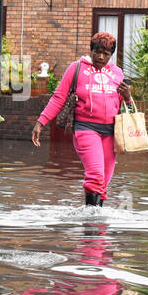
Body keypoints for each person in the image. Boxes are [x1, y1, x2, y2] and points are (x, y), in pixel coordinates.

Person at [31, 32, 131, 206]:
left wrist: (128, 96)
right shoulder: (77, 68)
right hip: (86, 128)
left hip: (110, 132)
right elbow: (58, 97)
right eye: (97, 52)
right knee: (96, 175)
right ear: (91, 50)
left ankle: (96, 227)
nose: (100, 57)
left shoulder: (117, 73)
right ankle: (91, 220)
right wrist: (41, 122)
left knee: (105, 179)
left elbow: (125, 105)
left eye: (105, 54)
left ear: (111, 55)